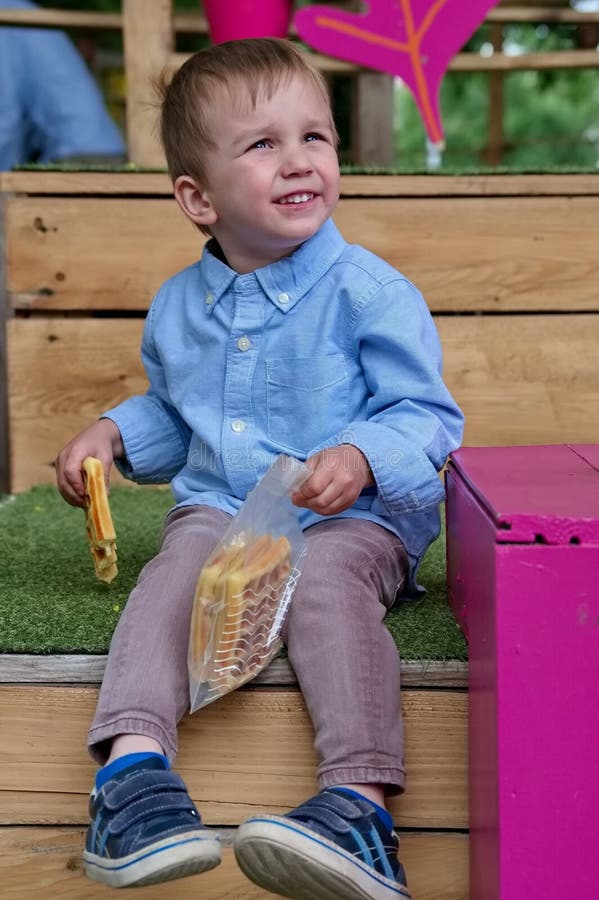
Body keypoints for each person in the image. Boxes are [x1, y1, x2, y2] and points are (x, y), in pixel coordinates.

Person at [55, 37, 464, 900]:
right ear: (198, 199)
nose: (298, 160)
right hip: (223, 506)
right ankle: (132, 780)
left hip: (350, 519)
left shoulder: (367, 292)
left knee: (323, 585)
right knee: (176, 569)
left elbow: (426, 418)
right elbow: (178, 412)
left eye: (315, 137)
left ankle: (359, 808)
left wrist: (359, 455)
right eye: (262, 144)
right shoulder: (177, 307)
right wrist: (113, 436)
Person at [0, 0, 125, 170]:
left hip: (79, 156)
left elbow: (6, 118)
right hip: (98, 147)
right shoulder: (15, 9)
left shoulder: (6, 17)